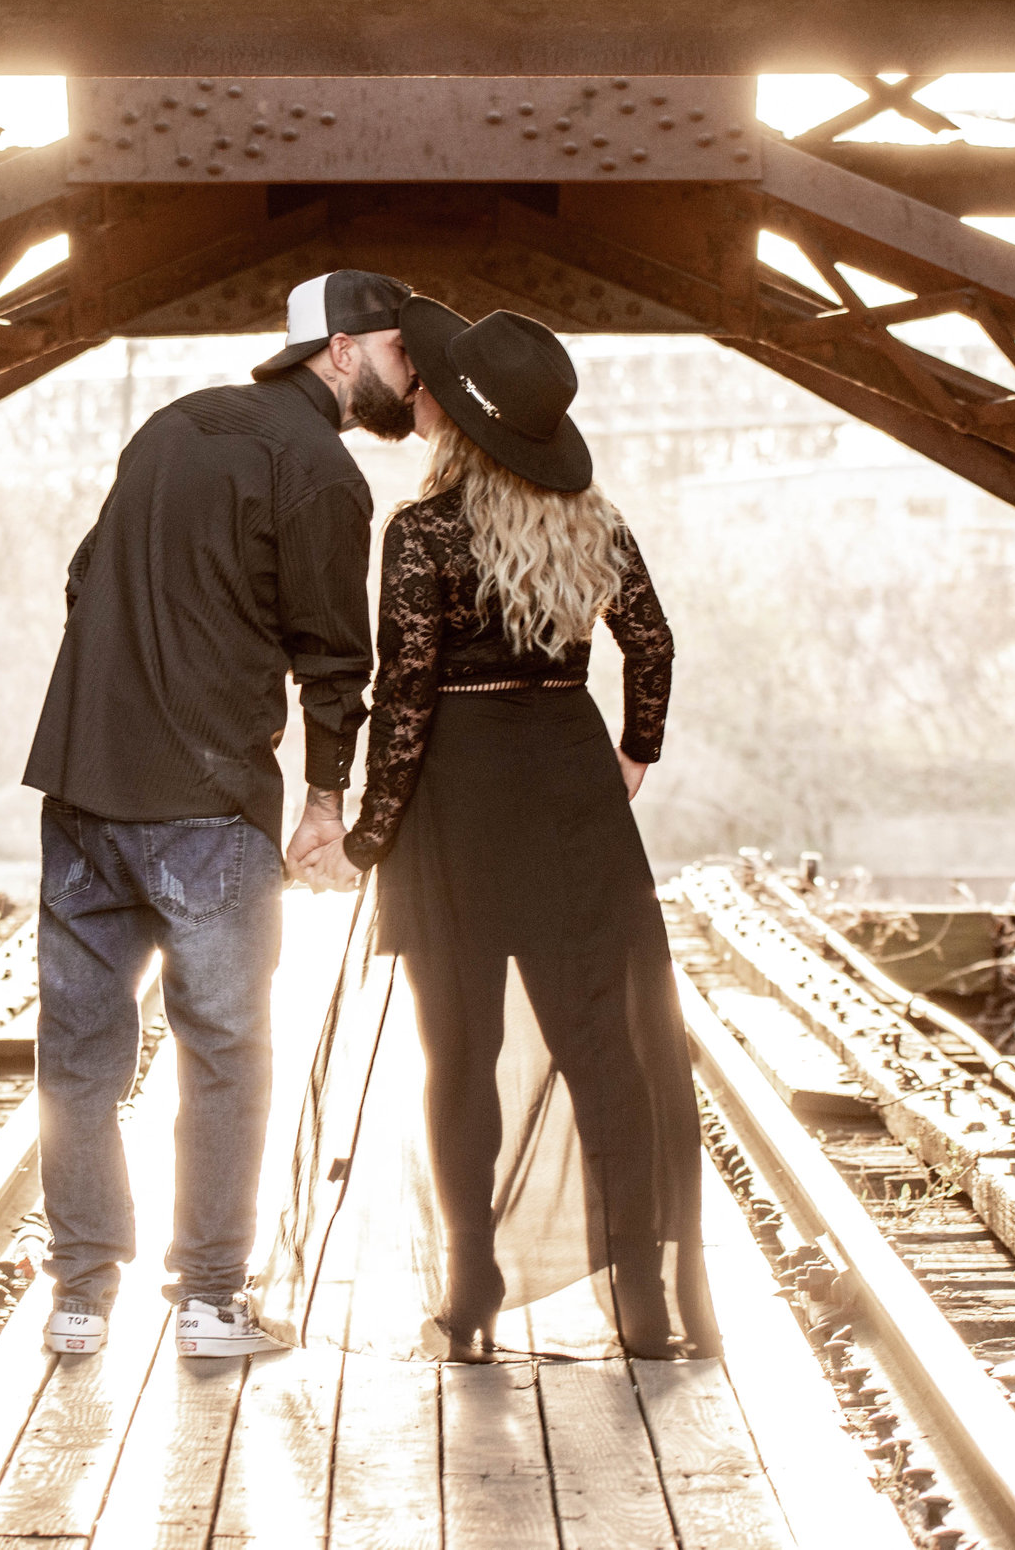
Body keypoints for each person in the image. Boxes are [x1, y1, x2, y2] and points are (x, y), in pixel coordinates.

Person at [301, 300, 719, 1363]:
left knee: (460, 1057)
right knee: (606, 1053)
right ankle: (643, 1301)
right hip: (572, 789)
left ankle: (472, 1291)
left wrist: (364, 831)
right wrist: (634, 751)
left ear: (454, 413)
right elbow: (654, 644)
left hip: (458, 803)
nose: (419, 390)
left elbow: (406, 697)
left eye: (431, 384)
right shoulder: (596, 521)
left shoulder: (424, 533)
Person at [22, 270, 422, 1359]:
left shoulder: (171, 427)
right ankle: (207, 1302)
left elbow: (84, 574)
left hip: (83, 790)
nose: (412, 371)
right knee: (227, 1053)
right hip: (206, 807)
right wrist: (326, 803)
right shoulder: (322, 476)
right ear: (340, 351)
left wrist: (125, 692)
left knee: (80, 1058)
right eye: (399, 350)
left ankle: (77, 1295)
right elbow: (338, 663)